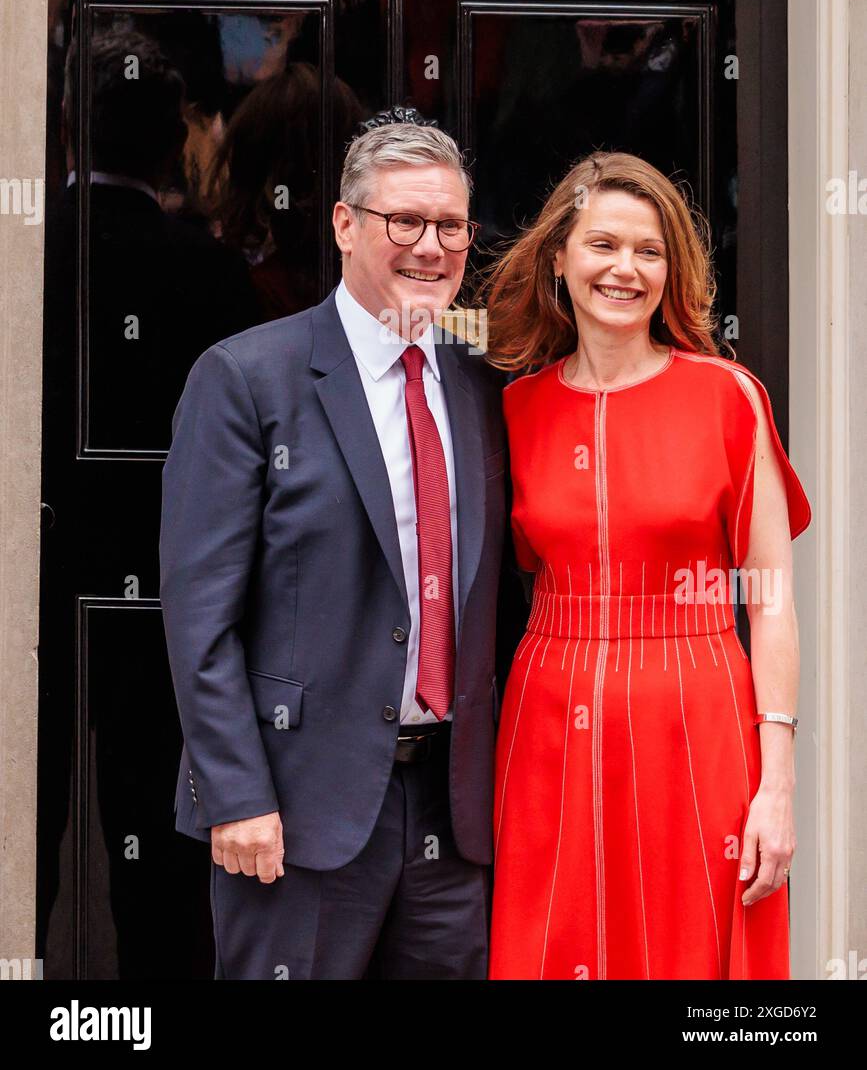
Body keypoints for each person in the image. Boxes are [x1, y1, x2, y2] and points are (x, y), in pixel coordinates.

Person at [160, 108, 511, 979]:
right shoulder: (247, 378)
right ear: (346, 226)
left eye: (451, 226)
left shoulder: (486, 387)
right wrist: (235, 794)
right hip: (294, 807)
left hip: (451, 814)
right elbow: (198, 618)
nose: (431, 247)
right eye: (405, 222)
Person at [481, 150, 811, 980]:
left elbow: (768, 599)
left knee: (693, 946)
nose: (624, 269)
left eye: (649, 250)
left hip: (697, 712)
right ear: (558, 257)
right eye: (602, 244)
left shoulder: (727, 397)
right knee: (554, 936)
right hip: (548, 720)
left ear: (673, 270)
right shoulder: (517, 409)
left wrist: (776, 783)